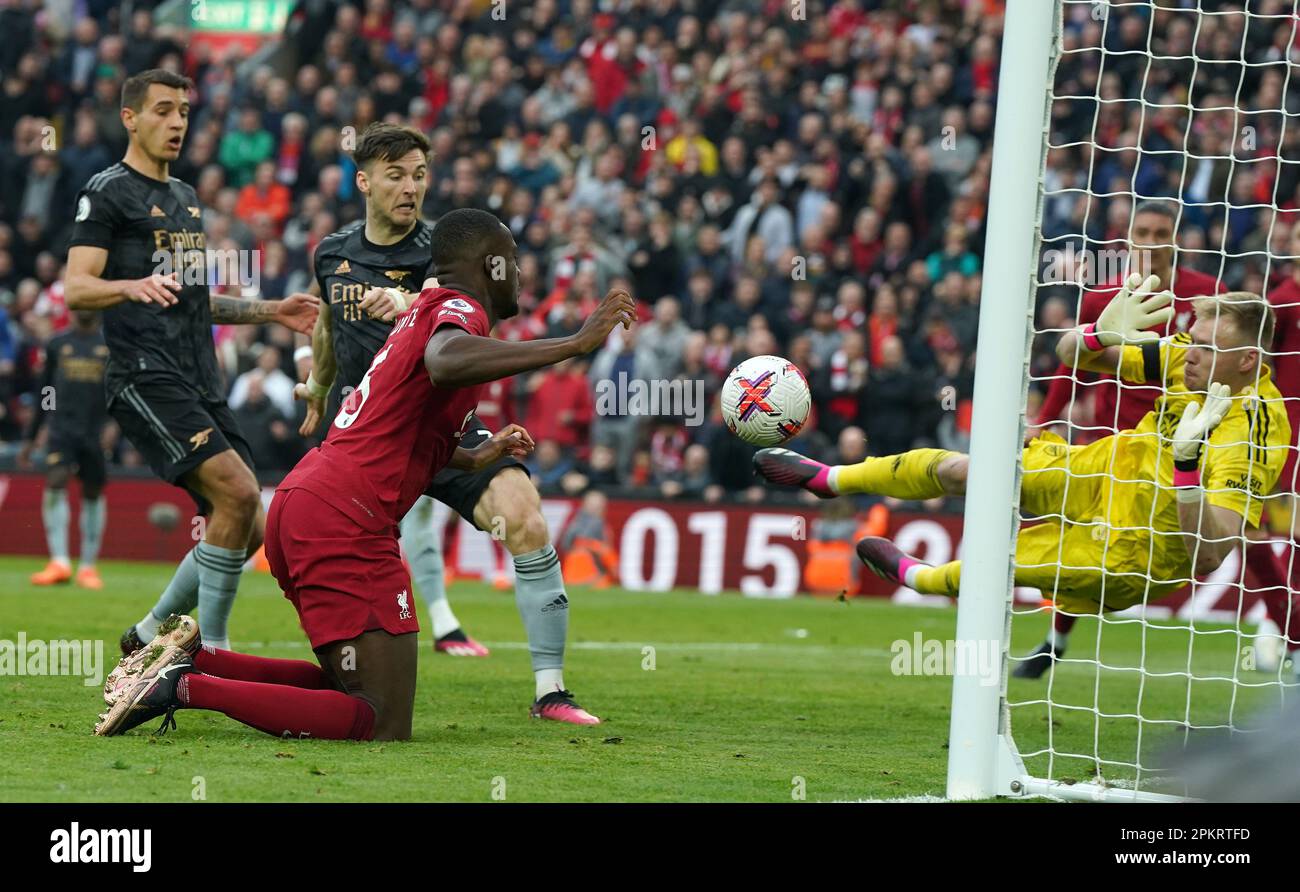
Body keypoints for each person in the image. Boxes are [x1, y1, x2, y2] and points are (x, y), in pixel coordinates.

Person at [95, 209, 637, 740]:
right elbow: (445, 361)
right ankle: (181, 688)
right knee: (379, 717)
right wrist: (573, 344)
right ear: (489, 263)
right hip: (343, 519)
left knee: (347, 683)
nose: (520, 273)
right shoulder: (458, 308)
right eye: (513, 261)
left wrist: (475, 456)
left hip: (309, 502)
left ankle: (192, 658)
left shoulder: (421, 310)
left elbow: (401, 433)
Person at [756, 278, 1291, 678]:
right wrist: (1095, 334)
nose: (1189, 352)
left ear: (1247, 360)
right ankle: (832, 478)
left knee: (1005, 565)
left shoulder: (1260, 427)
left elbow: (1210, 550)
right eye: (1189, 339)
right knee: (969, 467)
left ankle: (920, 579)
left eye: (1206, 346)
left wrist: (1186, 467)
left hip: (1145, 546)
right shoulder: (1183, 357)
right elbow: (1068, 355)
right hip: (1107, 469)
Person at [64, 69, 319, 653]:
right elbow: (76, 287)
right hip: (144, 376)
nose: (177, 121)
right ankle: (214, 652)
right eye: (162, 110)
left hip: (201, 379)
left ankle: (151, 632)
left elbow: (198, 301)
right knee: (236, 493)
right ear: (130, 117)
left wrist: (272, 310)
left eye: (182, 110)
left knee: (251, 522)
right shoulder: (106, 191)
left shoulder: (185, 200)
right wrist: (127, 286)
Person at [21, 310, 110, 589]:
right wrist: (38, 429)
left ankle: (87, 566)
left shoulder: (109, 345)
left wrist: (114, 425)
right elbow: (46, 390)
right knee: (56, 479)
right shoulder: (57, 344)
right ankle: (59, 561)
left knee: (93, 490)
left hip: (94, 429)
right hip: (62, 428)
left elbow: (119, 388)